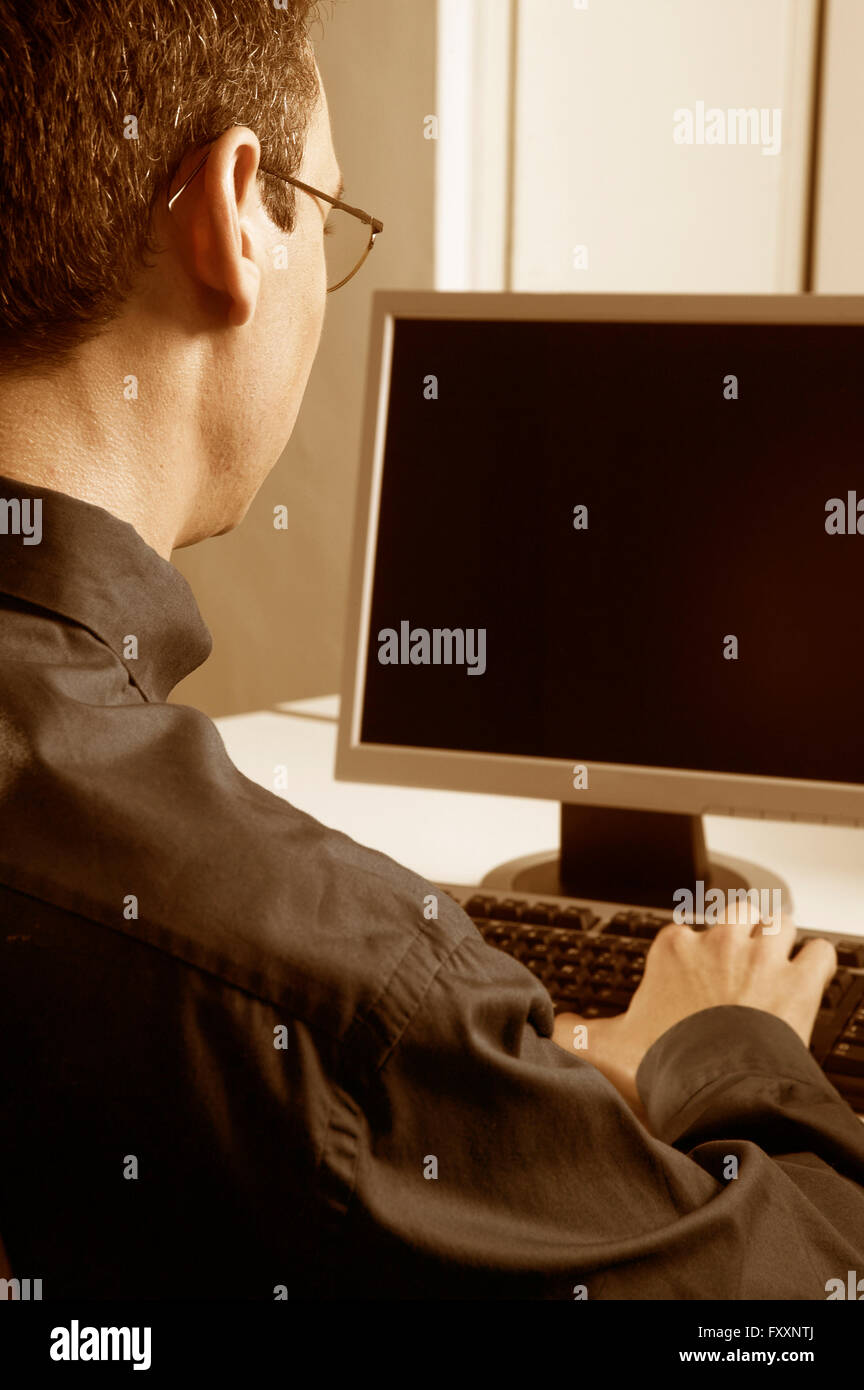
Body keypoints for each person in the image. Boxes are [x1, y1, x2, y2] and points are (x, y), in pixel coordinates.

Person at [1, 0, 863, 1301]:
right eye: (329, 218)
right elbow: (803, 1302)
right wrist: (729, 1048)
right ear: (236, 212)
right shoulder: (349, 992)